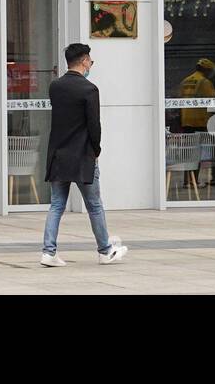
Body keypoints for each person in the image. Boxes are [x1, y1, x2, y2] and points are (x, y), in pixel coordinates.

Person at [40, 43, 127, 267]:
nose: (91, 65)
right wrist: (96, 150)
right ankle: (105, 251)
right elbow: (93, 125)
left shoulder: (55, 87)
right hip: (82, 155)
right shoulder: (89, 89)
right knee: (94, 205)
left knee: (56, 204)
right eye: (90, 61)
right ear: (84, 61)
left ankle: (48, 252)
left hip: (58, 153)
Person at [177, 57, 215, 133]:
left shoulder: (185, 80)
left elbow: (179, 97)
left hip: (185, 120)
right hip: (199, 120)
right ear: (206, 70)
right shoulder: (204, 82)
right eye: (210, 71)